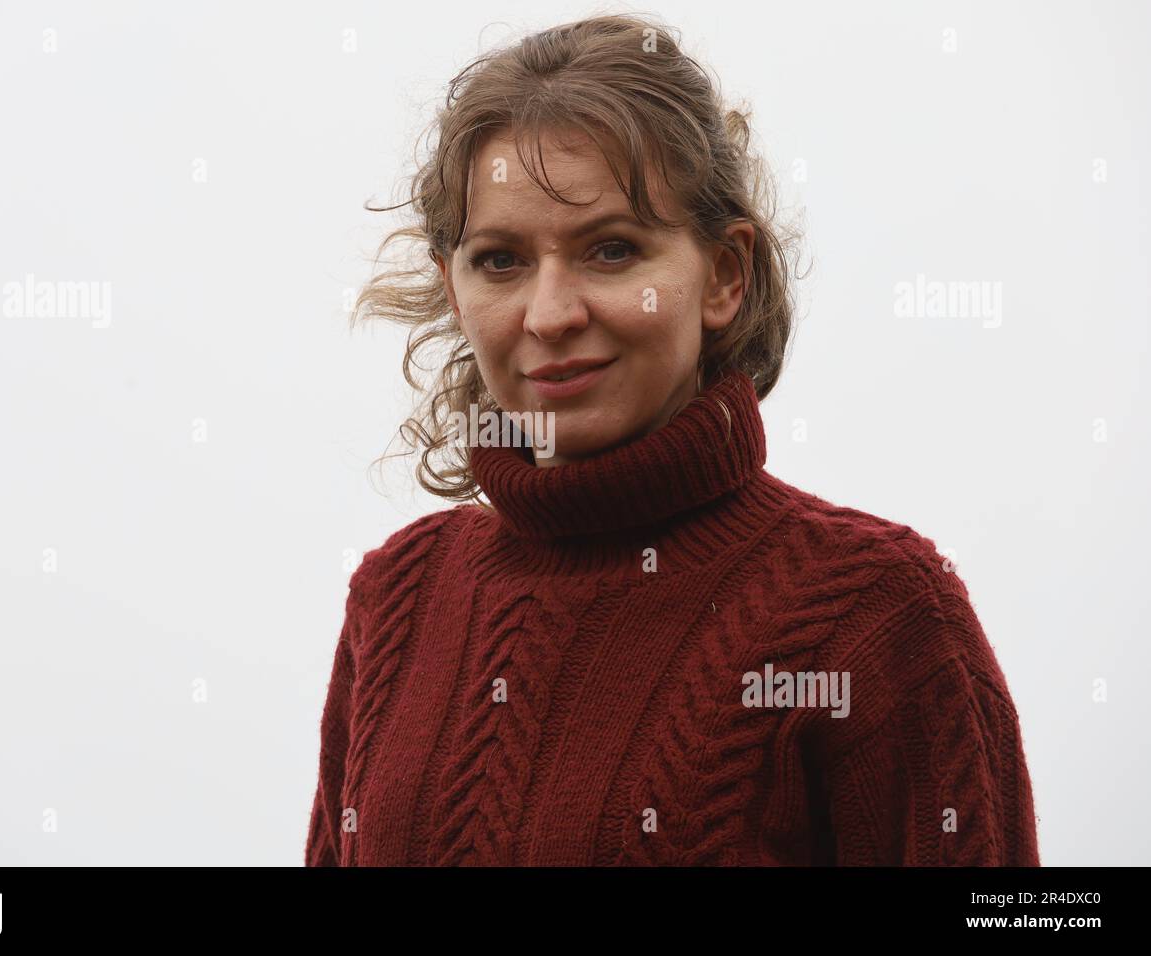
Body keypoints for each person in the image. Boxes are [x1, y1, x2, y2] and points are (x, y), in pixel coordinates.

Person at [305, 13, 1039, 866]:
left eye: (612, 250)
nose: (550, 314)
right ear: (453, 288)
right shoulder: (399, 598)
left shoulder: (877, 615)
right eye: (500, 260)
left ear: (724, 274)